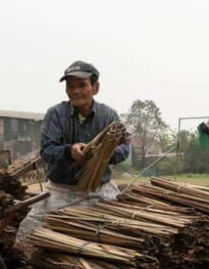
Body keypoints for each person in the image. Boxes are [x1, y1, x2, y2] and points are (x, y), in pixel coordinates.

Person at [15, 60, 129, 254]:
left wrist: (102, 154)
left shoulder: (109, 115)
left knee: (120, 235)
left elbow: (124, 150)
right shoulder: (56, 114)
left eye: (82, 85)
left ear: (95, 87)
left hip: (99, 190)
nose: (75, 91)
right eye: (70, 86)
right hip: (61, 189)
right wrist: (69, 151)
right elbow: (47, 151)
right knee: (27, 235)